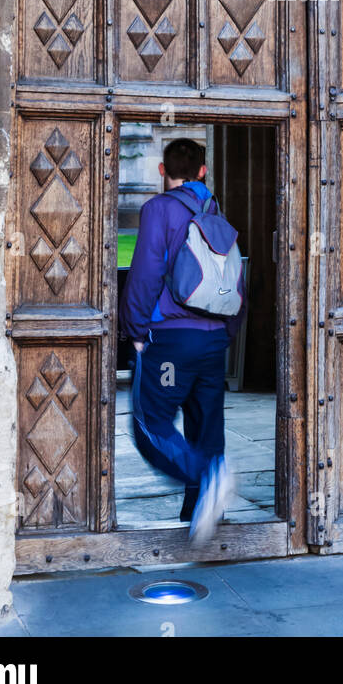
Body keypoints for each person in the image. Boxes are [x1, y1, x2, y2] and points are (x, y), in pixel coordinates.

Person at [119, 137, 246, 542]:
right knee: (206, 427)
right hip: (212, 343)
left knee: (151, 424)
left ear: (162, 170)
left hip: (172, 342)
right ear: (203, 172)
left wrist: (135, 331)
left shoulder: (159, 209)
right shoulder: (215, 211)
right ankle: (202, 514)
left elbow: (145, 273)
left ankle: (208, 478)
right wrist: (228, 331)